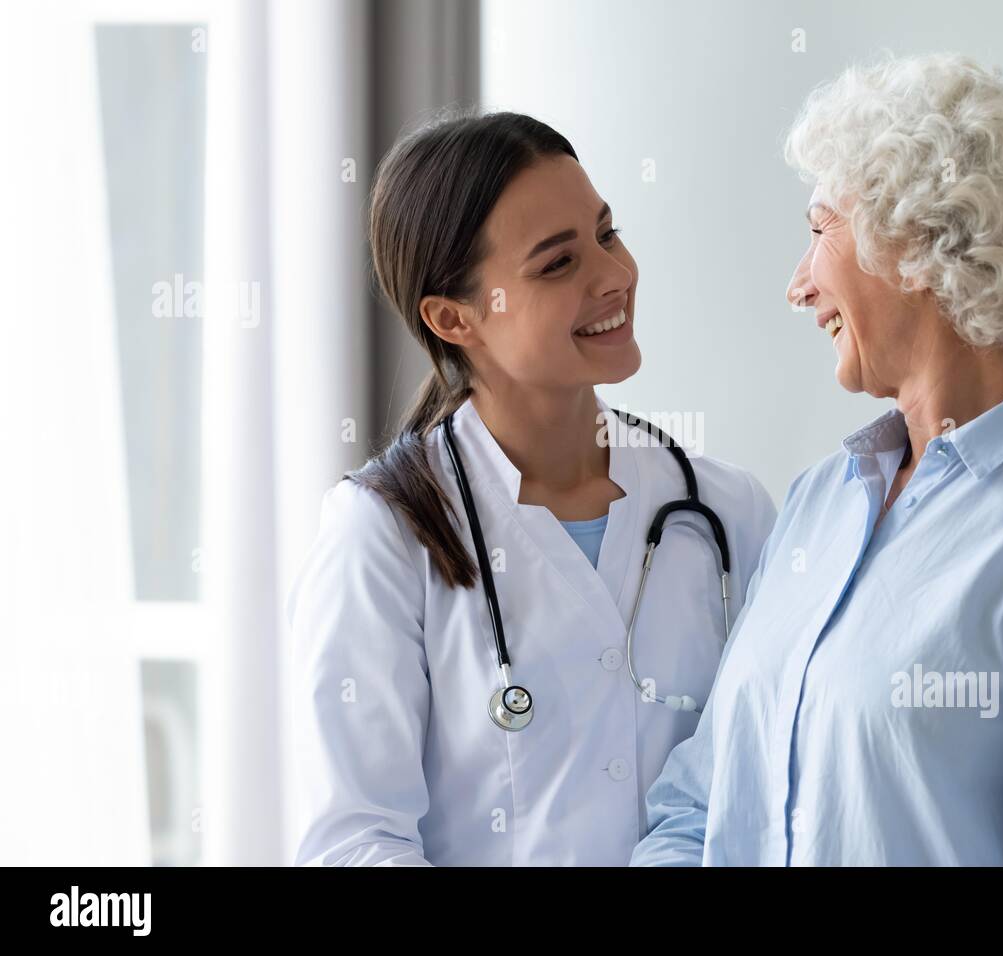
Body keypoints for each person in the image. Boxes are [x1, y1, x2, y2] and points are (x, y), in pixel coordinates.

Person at [631, 54, 1003, 866]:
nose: (798, 285)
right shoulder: (820, 502)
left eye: (817, 230)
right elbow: (697, 808)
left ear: (919, 233)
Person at [286, 111, 776, 865]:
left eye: (607, 235)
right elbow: (355, 844)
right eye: (558, 264)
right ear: (455, 318)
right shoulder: (382, 536)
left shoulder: (726, 513)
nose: (614, 275)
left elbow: (769, 784)